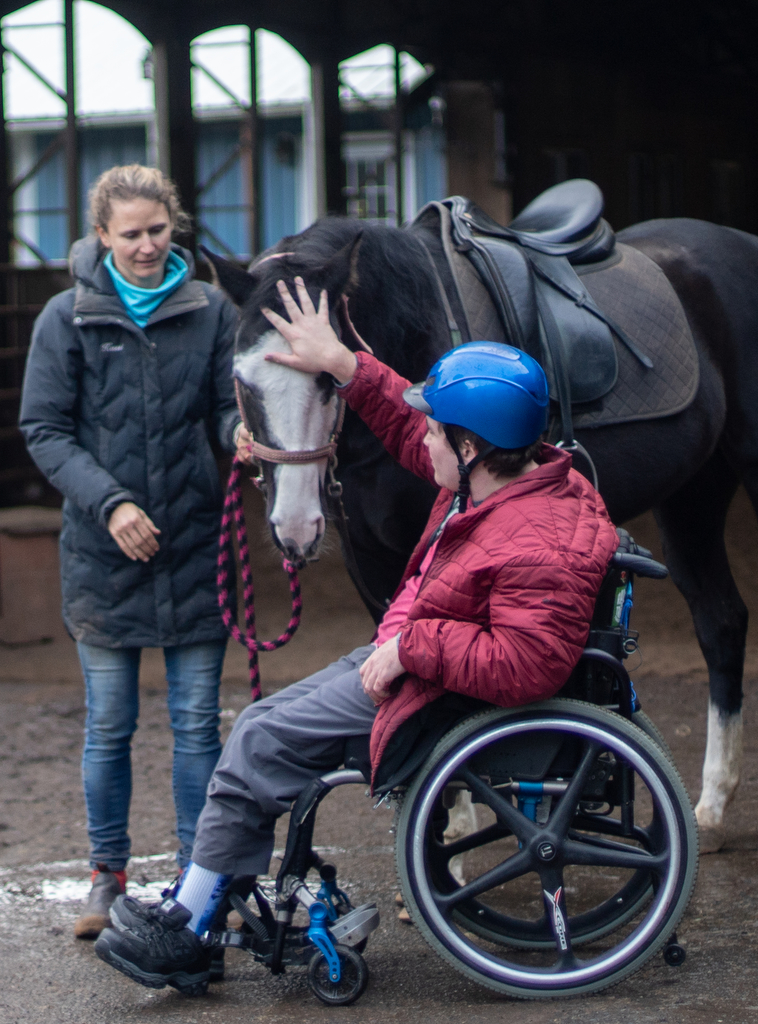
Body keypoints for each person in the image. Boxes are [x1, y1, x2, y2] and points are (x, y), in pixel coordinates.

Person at [93, 277, 619, 993]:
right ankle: (209, 901)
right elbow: (405, 428)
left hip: (441, 688)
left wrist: (409, 647)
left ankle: (193, 925)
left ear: (469, 446)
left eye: (438, 430)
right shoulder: (505, 480)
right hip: (421, 656)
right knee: (264, 724)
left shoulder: (531, 539)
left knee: (258, 739)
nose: (421, 436)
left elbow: (526, 661)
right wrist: (342, 362)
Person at [19, 165, 249, 939]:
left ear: (172, 226)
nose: (148, 246)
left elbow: (222, 406)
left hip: (193, 544)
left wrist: (238, 436)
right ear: (101, 236)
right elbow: (45, 430)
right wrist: (110, 502)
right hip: (103, 553)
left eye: (158, 231)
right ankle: (105, 874)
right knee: (110, 723)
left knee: (196, 724)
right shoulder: (66, 316)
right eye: (132, 234)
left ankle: (198, 878)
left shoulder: (212, 309)